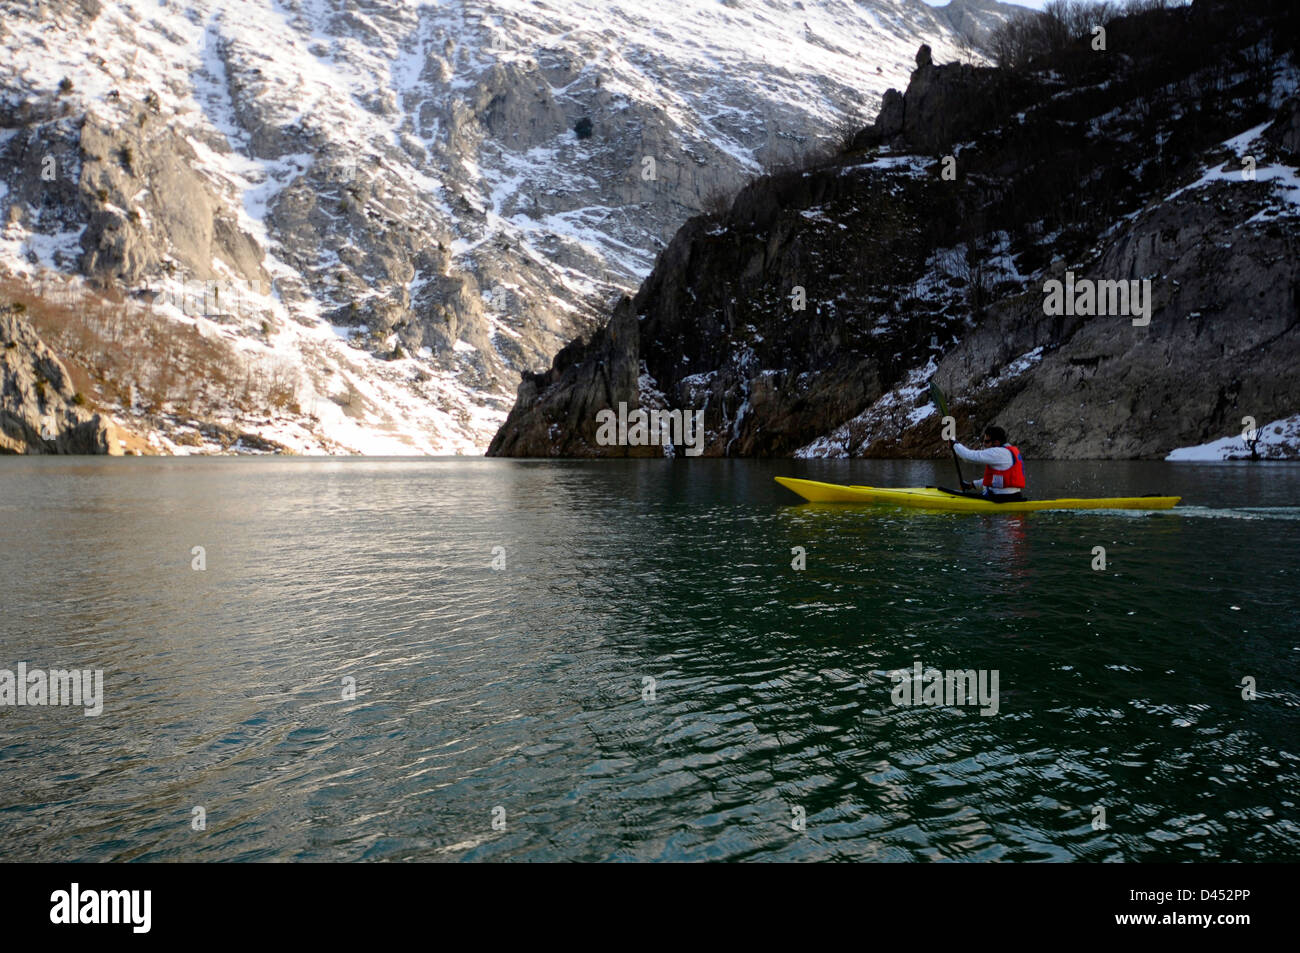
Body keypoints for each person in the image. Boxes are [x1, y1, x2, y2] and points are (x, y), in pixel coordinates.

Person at [949, 426, 1026, 502]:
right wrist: (972, 485)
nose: (984, 444)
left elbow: (968, 457)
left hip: (1000, 498)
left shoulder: (998, 452)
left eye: (986, 441)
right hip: (1014, 496)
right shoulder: (1009, 452)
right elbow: (994, 480)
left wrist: (955, 444)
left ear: (996, 442)